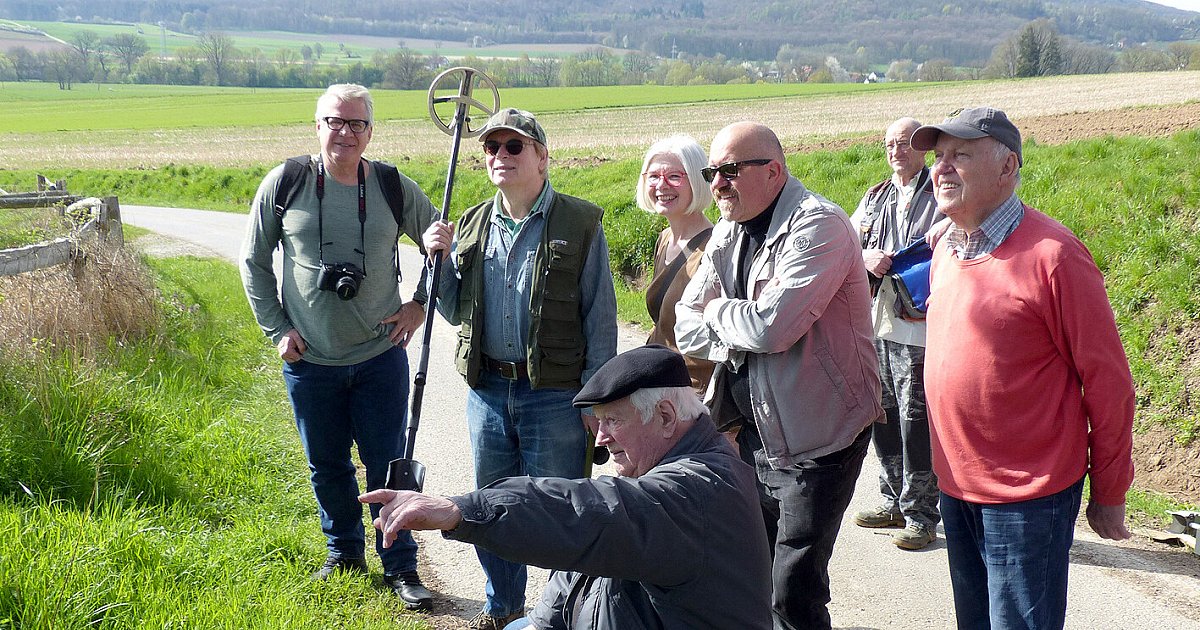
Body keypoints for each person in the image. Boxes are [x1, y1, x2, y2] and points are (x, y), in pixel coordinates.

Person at [359, 345, 773, 630]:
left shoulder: (696, 491)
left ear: (666, 416)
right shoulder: (661, 469)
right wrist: (541, 621)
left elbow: (590, 514)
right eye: (600, 424)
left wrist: (461, 511)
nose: (602, 439)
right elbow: (585, 558)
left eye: (613, 421)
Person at [909, 106, 1135, 629]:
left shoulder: (1055, 256)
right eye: (938, 156)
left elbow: (1110, 383)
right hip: (955, 484)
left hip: (1027, 496)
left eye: (960, 155)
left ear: (1007, 167)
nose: (941, 168)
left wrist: (1110, 489)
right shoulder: (945, 246)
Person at [675, 121, 883, 630]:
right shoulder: (728, 228)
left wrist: (720, 310)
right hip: (755, 433)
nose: (718, 184)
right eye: (712, 172)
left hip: (820, 438)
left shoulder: (821, 227)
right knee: (755, 572)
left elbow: (772, 329)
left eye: (729, 171)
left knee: (794, 590)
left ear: (774, 171)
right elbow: (684, 323)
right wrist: (733, 321)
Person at [239, 83, 436, 610]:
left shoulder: (394, 187)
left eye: (355, 124)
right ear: (317, 125)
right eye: (334, 122)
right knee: (326, 464)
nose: (344, 133)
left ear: (370, 132)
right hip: (310, 361)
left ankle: (400, 564)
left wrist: (419, 304)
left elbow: (441, 247)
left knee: (387, 463)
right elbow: (253, 262)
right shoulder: (286, 183)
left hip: (379, 358)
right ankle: (344, 552)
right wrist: (277, 330)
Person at [422, 108, 618, 630]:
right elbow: (452, 308)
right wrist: (435, 262)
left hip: (555, 397)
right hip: (487, 392)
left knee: (562, 512)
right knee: (493, 509)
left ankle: (565, 614)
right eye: (491, 148)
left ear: (542, 157)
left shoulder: (581, 222)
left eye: (514, 146)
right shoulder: (470, 223)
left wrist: (598, 402)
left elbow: (600, 320)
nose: (499, 156)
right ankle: (502, 606)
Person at [848, 117, 944, 550]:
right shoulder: (874, 197)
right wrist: (866, 255)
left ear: (921, 148)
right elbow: (847, 244)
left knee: (916, 419)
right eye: (889, 144)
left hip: (923, 325)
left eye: (905, 143)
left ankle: (922, 514)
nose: (896, 151)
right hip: (878, 322)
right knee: (882, 414)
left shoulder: (942, 192)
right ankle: (891, 499)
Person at [636, 134, 716, 393]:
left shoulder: (713, 250)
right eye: (654, 176)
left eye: (674, 177)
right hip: (661, 385)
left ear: (696, 180)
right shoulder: (665, 239)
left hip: (693, 394)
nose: (662, 186)